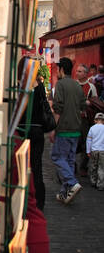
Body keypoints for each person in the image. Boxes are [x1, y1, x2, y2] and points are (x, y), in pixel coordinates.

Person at [14, 57, 51, 211]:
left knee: (19, 166)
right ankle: (38, 203)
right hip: (37, 130)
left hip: (21, 130)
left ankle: (22, 199)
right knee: (36, 167)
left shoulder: (18, 86)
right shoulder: (39, 86)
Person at [52, 57, 87, 204]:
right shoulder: (77, 85)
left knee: (57, 156)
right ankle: (64, 193)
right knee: (70, 161)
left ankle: (72, 183)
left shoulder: (60, 84)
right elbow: (83, 106)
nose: (57, 72)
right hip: (76, 129)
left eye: (57, 69)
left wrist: (53, 128)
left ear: (61, 69)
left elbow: (58, 108)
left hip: (64, 128)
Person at [88, 113, 104, 191]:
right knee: (101, 167)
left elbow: (89, 140)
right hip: (102, 150)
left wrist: (88, 151)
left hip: (94, 150)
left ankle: (93, 182)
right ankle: (100, 184)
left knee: (93, 166)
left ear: (95, 120)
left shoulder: (92, 128)